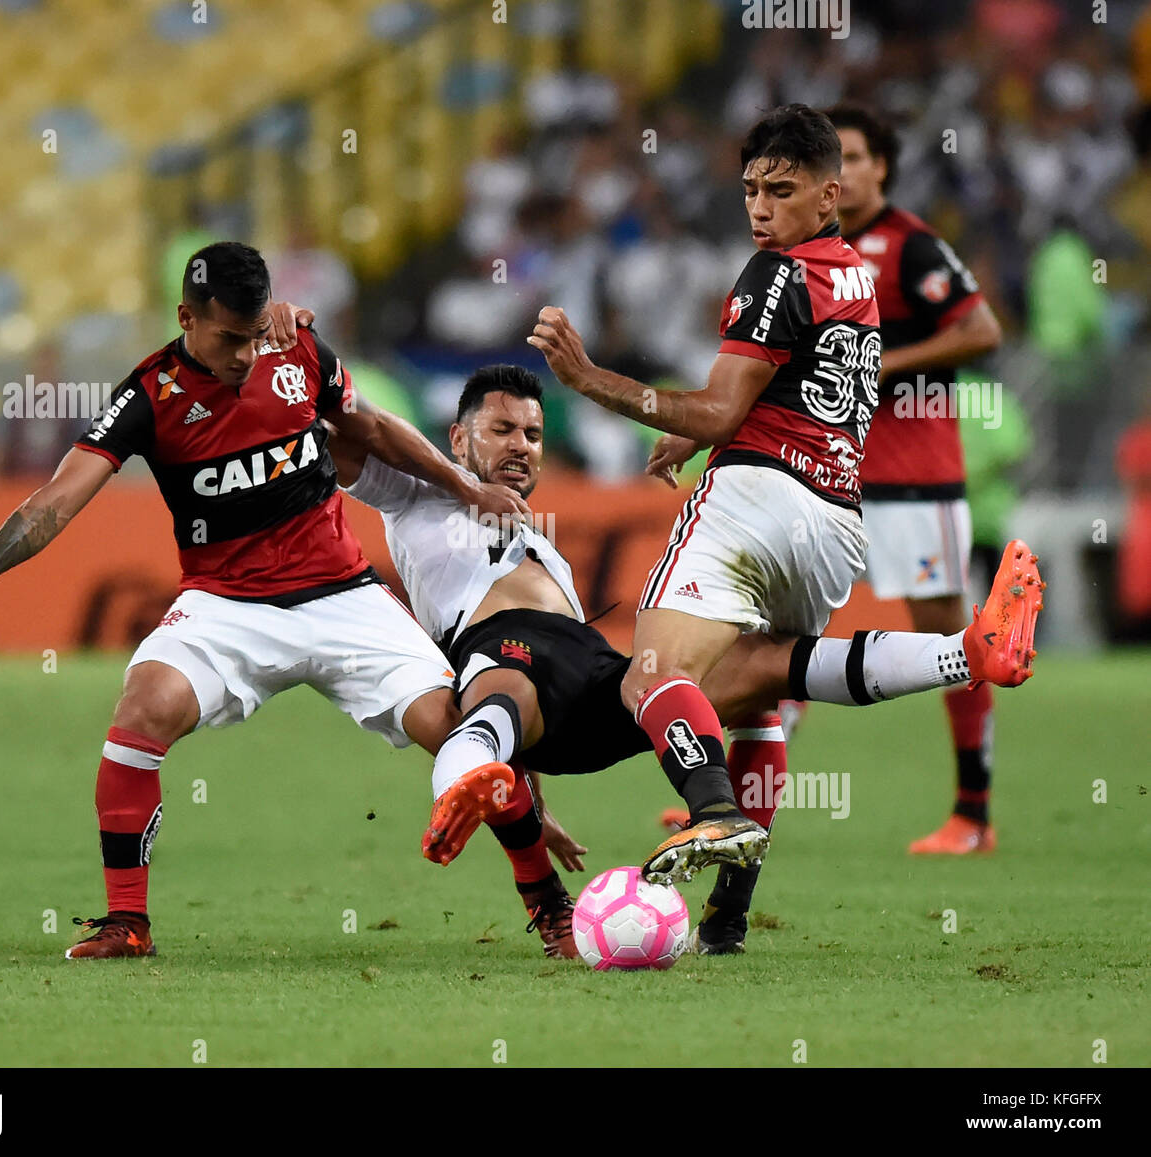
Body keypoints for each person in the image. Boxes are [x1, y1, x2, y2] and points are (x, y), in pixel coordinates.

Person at [0, 242, 528, 960]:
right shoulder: (149, 395)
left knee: (457, 727)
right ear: (186, 317)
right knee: (142, 704)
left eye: (252, 333)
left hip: (342, 593)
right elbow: (59, 496)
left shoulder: (295, 343)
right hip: (227, 605)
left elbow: (369, 427)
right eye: (228, 338)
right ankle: (127, 923)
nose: (244, 354)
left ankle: (547, 900)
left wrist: (466, 484)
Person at [526, 104, 1042, 943]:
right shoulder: (854, 277)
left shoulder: (774, 275)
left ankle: (713, 808)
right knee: (765, 695)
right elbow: (783, 401)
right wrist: (689, 431)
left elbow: (724, 412)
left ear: (828, 193)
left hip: (754, 503)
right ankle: (962, 655)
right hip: (835, 520)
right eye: (751, 191)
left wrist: (588, 379)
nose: (760, 209)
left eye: (781, 190)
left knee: (649, 678)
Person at [335, 363, 1043, 956]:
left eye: (533, 433)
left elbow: (562, 681)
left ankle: (968, 651)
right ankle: (533, 882)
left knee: (764, 668)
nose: (520, 445)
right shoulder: (415, 492)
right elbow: (346, 428)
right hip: (499, 658)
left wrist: (529, 803)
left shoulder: (544, 544)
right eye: (501, 431)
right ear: (457, 437)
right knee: (502, 690)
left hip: (591, 678)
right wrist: (294, 352)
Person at [829, 103, 1008, 855]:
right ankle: (735, 800)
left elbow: (982, 330)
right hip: (832, 473)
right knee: (783, 629)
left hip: (917, 478)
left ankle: (973, 812)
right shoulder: (814, 250)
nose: (839, 171)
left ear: (883, 167)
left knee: (952, 638)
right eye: (827, 158)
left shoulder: (911, 246)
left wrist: (879, 364)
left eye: (853, 156)